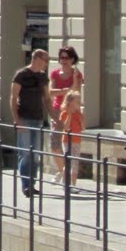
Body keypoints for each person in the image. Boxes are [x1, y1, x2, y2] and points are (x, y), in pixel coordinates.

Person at [11, 47, 50, 198]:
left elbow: (47, 98)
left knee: (36, 155)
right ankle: (26, 185)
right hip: (25, 118)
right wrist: (17, 119)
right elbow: (13, 97)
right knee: (25, 153)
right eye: (45, 61)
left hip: (38, 118)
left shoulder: (42, 76)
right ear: (37, 59)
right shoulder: (21, 75)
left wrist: (54, 117)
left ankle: (32, 184)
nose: (46, 64)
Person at [49, 45, 84, 180]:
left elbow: (76, 93)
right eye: (62, 57)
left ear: (73, 59)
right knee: (55, 143)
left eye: (67, 57)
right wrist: (66, 90)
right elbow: (51, 92)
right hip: (58, 110)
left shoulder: (77, 74)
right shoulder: (55, 74)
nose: (64, 60)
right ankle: (63, 171)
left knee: (70, 144)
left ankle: (68, 175)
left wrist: (73, 82)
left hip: (72, 111)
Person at [59, 87, 85, 187]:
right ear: (69, 102)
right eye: (76, 102)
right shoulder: (64, 113)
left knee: (75, 163)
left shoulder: (79, 114)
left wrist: (81, 117)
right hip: (67, 140)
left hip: (77, 140)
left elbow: (83, 127)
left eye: (79, 102)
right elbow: (65, 127)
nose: (78, 104)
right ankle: (65, 182)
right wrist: (69, 114)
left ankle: (73, 184)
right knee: (69, 162)